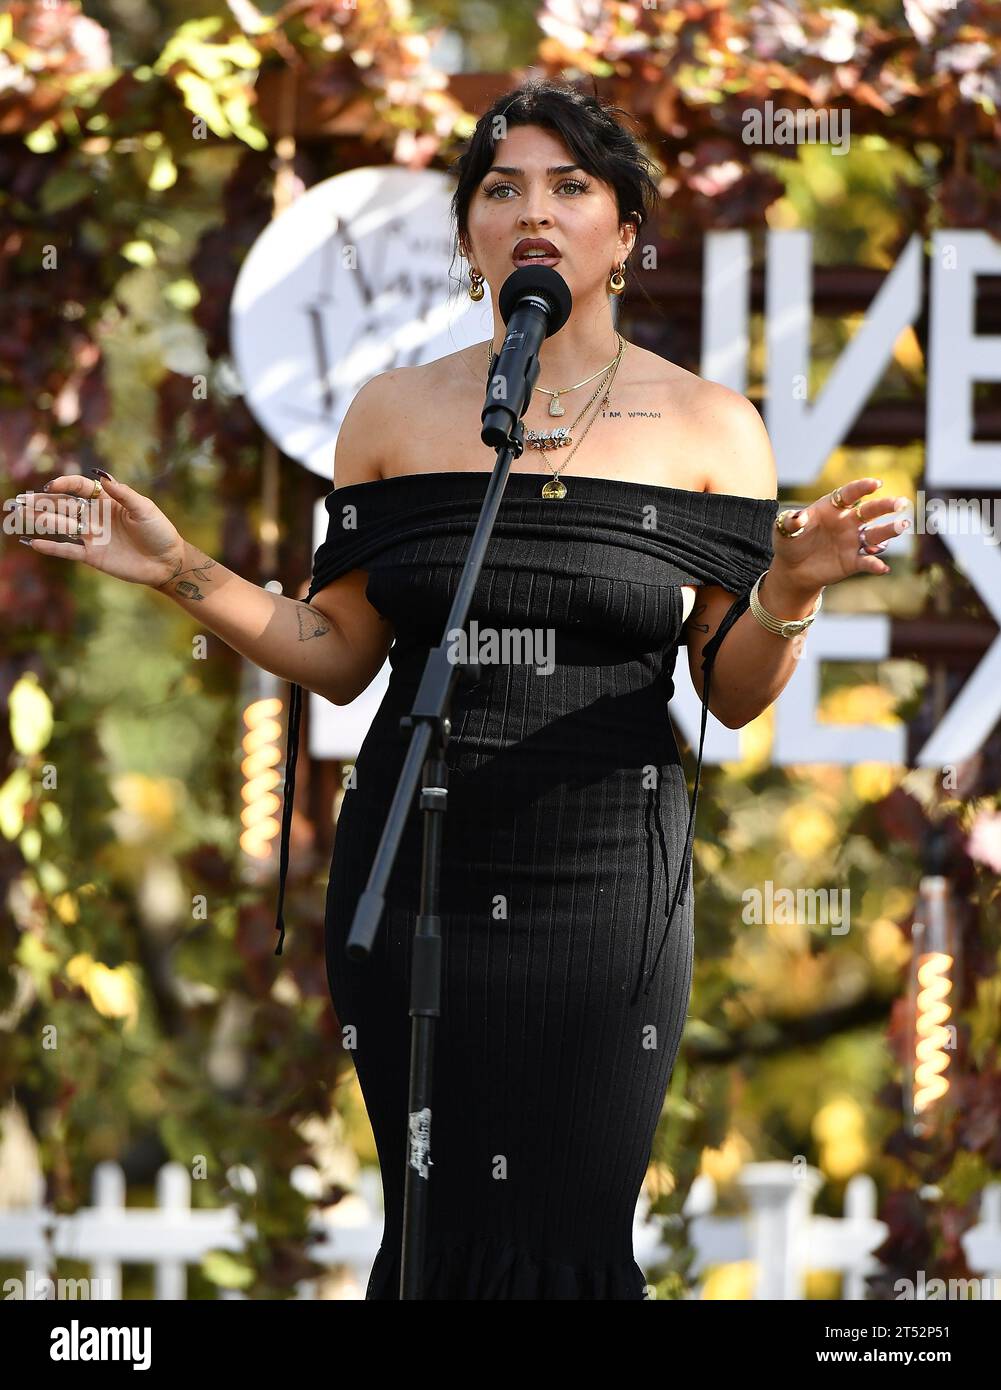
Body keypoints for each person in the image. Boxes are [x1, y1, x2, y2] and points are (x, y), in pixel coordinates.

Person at [14, 78, 911, 1300]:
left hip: (604, 887)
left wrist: (790, 585)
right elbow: (336, 648)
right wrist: (178, 567)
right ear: (469, 238)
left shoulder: (709, 425)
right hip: (416, 864)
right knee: (433, 1238)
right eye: (500, 190)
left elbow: (733, 689)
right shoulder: (395, 413)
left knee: (565, 1244)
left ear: (626, 233)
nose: (532, 211)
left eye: (569, 186)